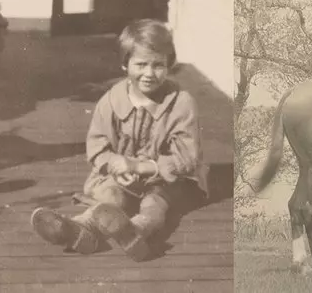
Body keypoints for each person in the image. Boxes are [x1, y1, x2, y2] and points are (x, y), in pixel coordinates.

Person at [30, 20, 205, 261]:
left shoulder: (181, 103)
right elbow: (97, 146)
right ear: (125, 64)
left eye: (158, 65)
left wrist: (141, 166)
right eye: (141, 64)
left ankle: (137, 230)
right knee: (110, 196)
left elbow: (188, 157)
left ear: (169, 65)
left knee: (155, 204)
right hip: (121, 178)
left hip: (166, 180)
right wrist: (115, 164)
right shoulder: (111, 101)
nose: (149, 73)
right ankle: (74, 229)